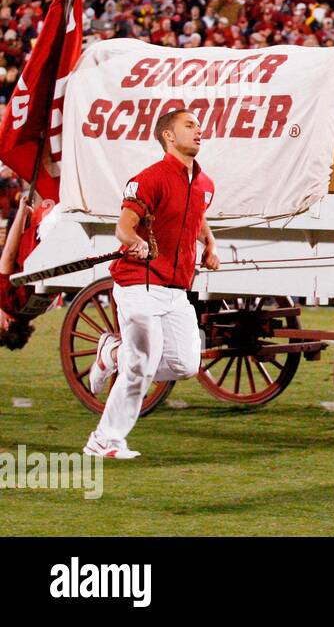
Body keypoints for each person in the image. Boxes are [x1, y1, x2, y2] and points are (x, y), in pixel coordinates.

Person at [84, 110, 220, 458]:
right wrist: (136, 241)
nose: (198, 130)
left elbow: (198, 219)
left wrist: (211, 246)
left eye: (198, 125)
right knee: (142, 362)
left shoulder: (204, 184)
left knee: (186, 364)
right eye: (189, 125)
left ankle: (113, 353)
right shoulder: (150, 179)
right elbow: (123, 227)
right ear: (168, 137)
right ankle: (105, 440)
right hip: (138, 281)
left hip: (176, 289)